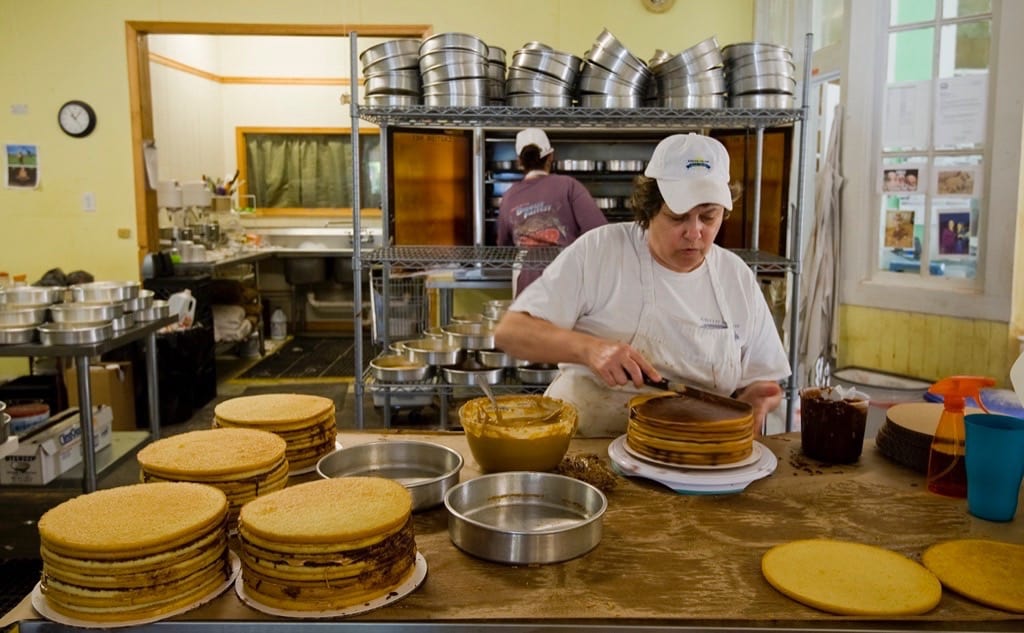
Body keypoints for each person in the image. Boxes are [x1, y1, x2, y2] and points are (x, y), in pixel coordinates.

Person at [494, 133, 790, 437]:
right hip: (589, 442)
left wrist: (755, 397)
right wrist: (589, 349)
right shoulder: (601, 250)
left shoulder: (735, 278)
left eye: (708, 217)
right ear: (649, 211)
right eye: (677, 217)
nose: (694, 232)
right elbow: (511, 333)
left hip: (692, 451)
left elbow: (761, 380)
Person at [496, 128, 607, 296]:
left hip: (526, 280)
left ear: (520, 161)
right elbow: (599, 230)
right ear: (550, 157)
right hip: (566, 273)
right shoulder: (568, 185)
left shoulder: (509, 197)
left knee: (530, 321)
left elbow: (503, 246)